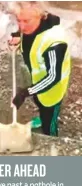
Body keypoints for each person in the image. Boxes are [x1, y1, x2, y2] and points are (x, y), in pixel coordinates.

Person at [8, 1, 71, 136]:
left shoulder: (54, 42)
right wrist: (18, 35)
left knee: (49, 119)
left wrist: (25, 92)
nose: (22, 26)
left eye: (26, 21)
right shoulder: (32, 25)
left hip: (52, 92)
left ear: (40, 15)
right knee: (40, 104)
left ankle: (51, 137)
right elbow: (23, 29)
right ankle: (43, 118)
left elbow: (53, 77)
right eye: (19, 20)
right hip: (38, 84)